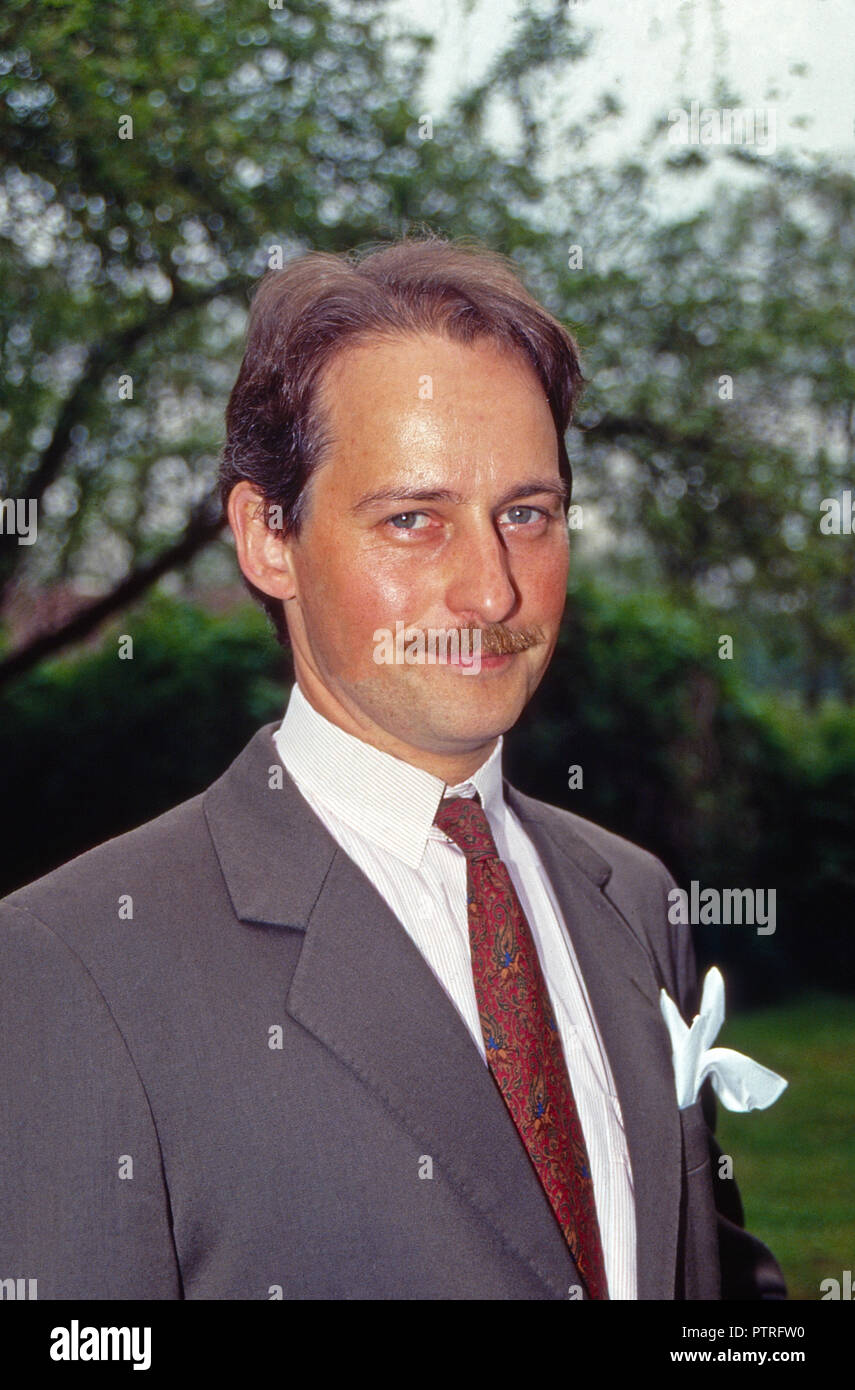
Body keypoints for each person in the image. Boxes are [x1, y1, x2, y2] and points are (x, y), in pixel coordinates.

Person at [0, 236, 786, 1300]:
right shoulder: (71, 963)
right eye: (413, 519)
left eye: (525, 514)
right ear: (268, 538)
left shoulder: (635, 899)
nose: (492, 590)